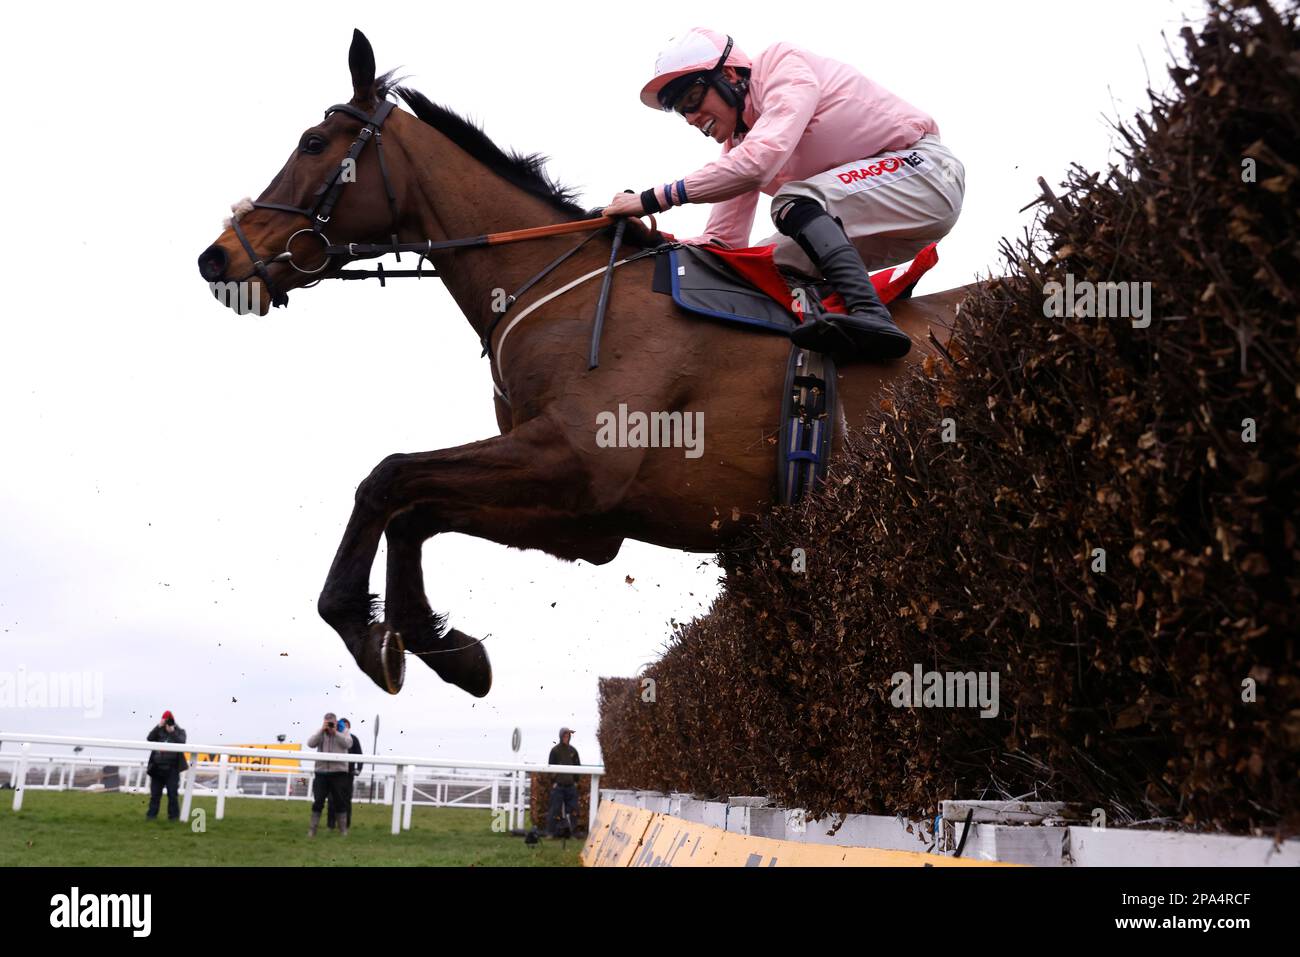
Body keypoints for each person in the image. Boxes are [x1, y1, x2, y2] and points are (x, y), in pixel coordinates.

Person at [602, 27, 965, 361]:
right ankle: (828, 346)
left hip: (924, 174)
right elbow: (722, 242)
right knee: (763, 265)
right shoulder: (740, 143)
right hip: (882, 217)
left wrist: (651, 200)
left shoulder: (780, 65)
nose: (692, 117)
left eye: (694, 99)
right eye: (683, 112)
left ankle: (870, 314)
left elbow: (759, 162)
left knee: (792, 201)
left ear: (729, 75)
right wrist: (651, 242)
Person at [306, 711, 354, 837]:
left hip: (339, 772)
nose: (330, 724)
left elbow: (348, 743)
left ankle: (343, 830)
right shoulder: (321, 732)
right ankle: (312, 830)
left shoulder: (344, 731)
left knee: (339, 801)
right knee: (318, 801)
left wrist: (335, 733)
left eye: (331, 722)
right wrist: (322, 730)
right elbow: (310, 743)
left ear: (336, 721)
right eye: (327, 722)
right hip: (321, 772)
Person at [145, 710, 188, 821]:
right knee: (155, 795)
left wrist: (172, 732)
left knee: (172, 794)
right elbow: (149, 738)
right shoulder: (159, 731)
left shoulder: (180, 731)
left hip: (172, 769)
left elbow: (182, 743)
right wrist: (159, 726)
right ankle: (151, 816)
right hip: (157, 768)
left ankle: (173, 818)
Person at [327, 717, 364, 831]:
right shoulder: (333, 738)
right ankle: (331, 825)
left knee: (346, 800)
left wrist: (358, 769)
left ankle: (345, 825)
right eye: (342, 725)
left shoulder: (354, 739)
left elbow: (360, 755)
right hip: (333, 774)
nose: (344, 728)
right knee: (332, 799)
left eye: (346, 726)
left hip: (348, 775)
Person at [546, 727, 581, 838]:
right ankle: (551, 833)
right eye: (565, 736)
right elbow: (550, 767)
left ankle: (574, 833)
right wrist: (554, 781)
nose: (566, 738)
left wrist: (576, 781)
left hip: (571, 786)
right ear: (561, 736)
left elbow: (578, 767)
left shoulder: (573, 751)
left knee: (573, 810)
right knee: (554, 810)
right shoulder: (555, 750)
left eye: (568, 736)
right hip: (559, 786)